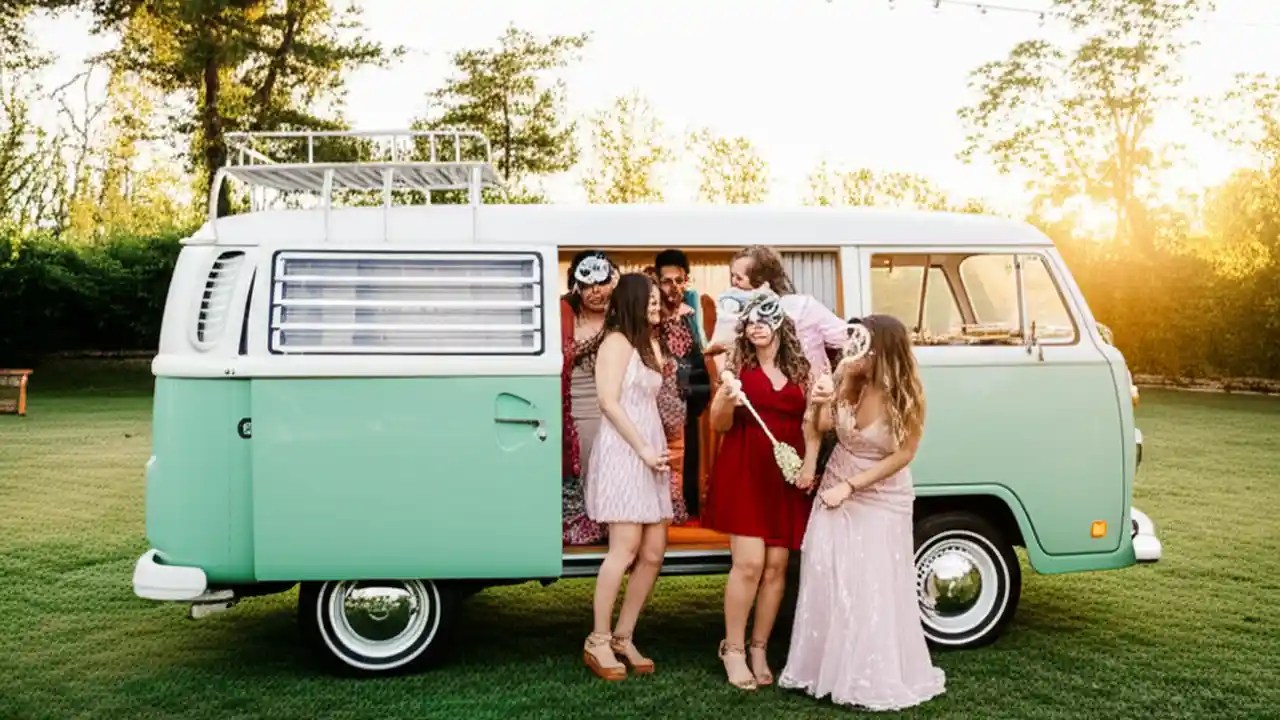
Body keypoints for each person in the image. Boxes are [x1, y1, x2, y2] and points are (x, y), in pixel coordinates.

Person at [778, 314, 946, 712]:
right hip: (835, 481)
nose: (851, 352)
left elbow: (904, 455)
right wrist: (818, 404)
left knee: (870, 582)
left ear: (881, 351)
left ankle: (866, 676)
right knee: (827, 572)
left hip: (880, 497)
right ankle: (822, 669)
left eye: (861, 346)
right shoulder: (848, 382)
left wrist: (851, 487)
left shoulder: (907, 396)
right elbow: (823, 427)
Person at [701, 291, 815, 691]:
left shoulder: (802, 372)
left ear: (781, 324)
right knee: (748, 564)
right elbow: (719, 424)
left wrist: (810, 463)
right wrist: (725, 400)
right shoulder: (736, 369)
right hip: (745, 469)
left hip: (784, 474)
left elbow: (812, 424)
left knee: (776, 568)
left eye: (764, 319)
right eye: (749, 322)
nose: (756, 326)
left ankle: (759, 648)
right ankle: (731, 648)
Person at [582, 273, 673, 681]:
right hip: (625, 449)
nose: (657, 304)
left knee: (654, 552)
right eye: (650, 299)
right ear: (634, 301)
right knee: (624, 549)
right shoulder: (615, 341)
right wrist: (643, 449)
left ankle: (624, 634)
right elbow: (608, 402)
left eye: (659, 299)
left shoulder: (651, 343)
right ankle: (598, 639)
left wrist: (658, 448)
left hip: (651, 448)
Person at [560, 250, 616, 546]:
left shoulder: (622, 317)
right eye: (588, 284)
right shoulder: (565, 318)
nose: (596, 291)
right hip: (580, 408)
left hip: (619, 407)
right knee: (587, 467)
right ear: (576, 287)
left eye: (603, 282)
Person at [651, 249, 711, 521]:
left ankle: (678, 509)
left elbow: (697, 354)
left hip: (685, 399)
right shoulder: (650, 315)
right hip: (651, 402)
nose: (673, 287)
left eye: (679, 280)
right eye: (667, 281)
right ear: (657, 280)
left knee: (683, 459)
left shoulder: (689, 314)